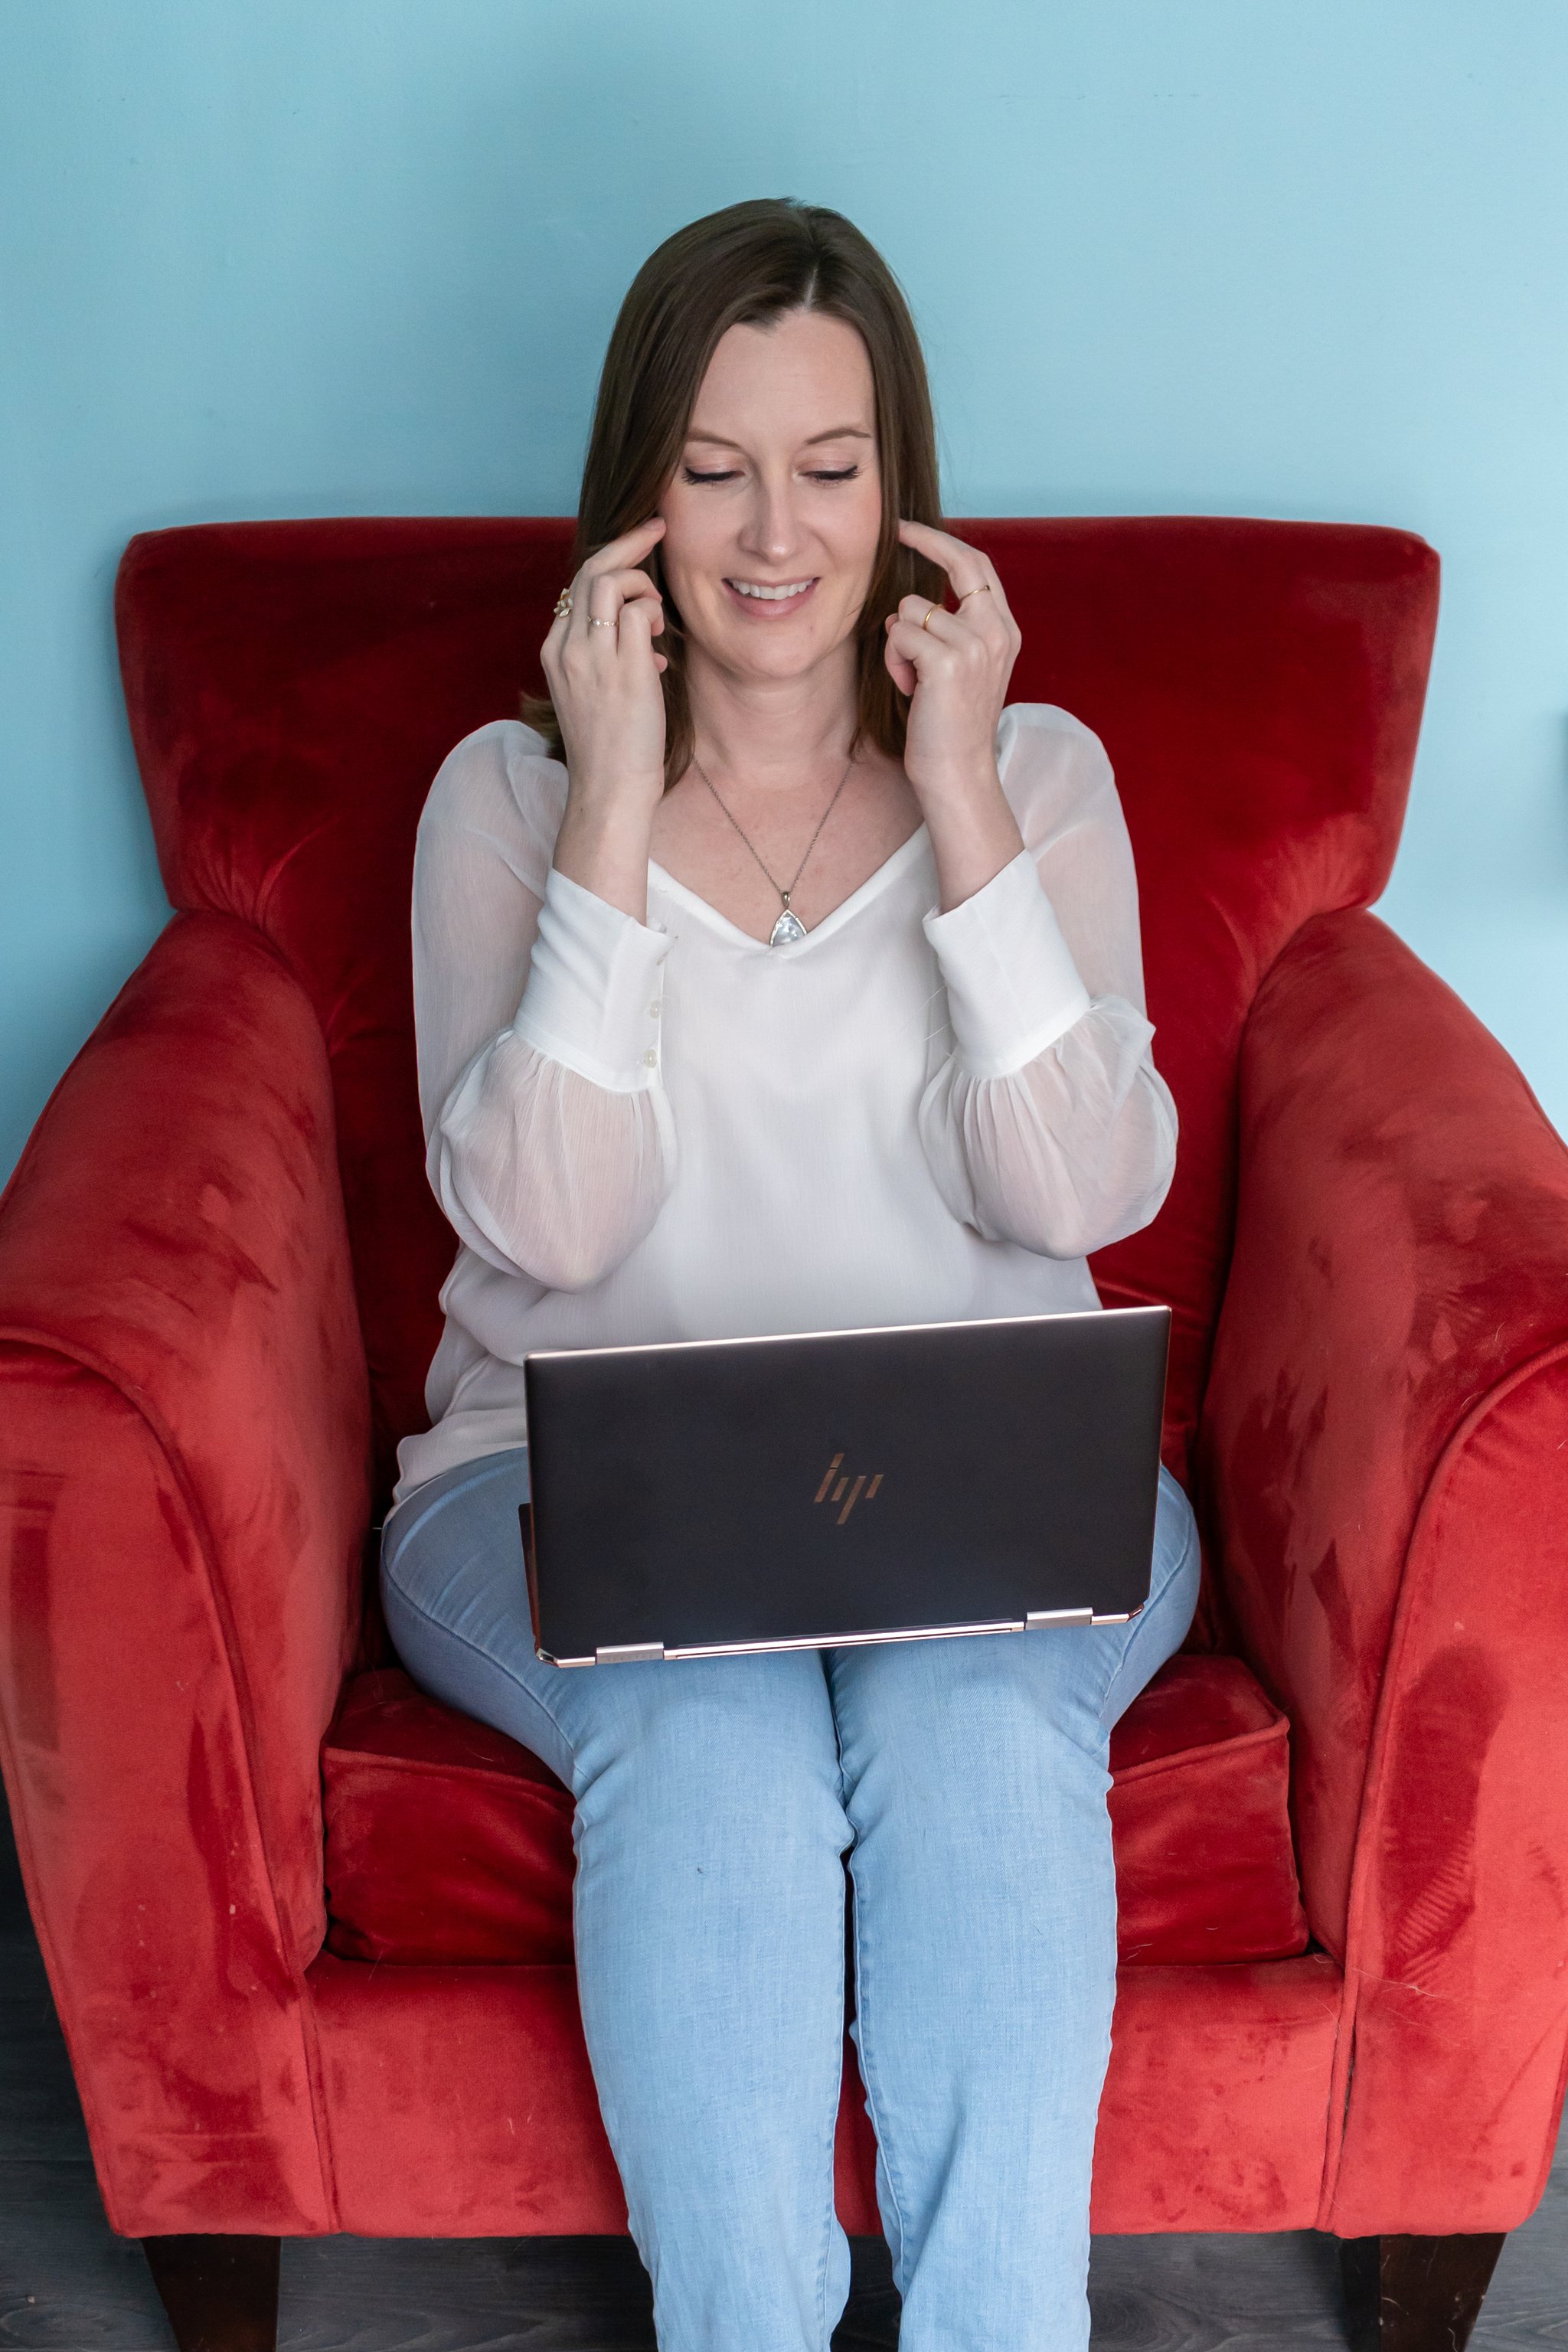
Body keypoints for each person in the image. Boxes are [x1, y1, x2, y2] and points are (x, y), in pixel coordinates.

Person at [381, 197, 1199, 2352]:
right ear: (635, 493)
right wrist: (618, 818)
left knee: (979, 1715)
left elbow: (1074, 1185)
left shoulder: (1038, 780)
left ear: (899, 491)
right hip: (551, 1493)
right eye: (713, 467)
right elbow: (545, 1227)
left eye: (830, 468)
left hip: (995, 1485)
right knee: (714, 1729)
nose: (774, 534)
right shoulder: (506, 798)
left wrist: (956, 806)